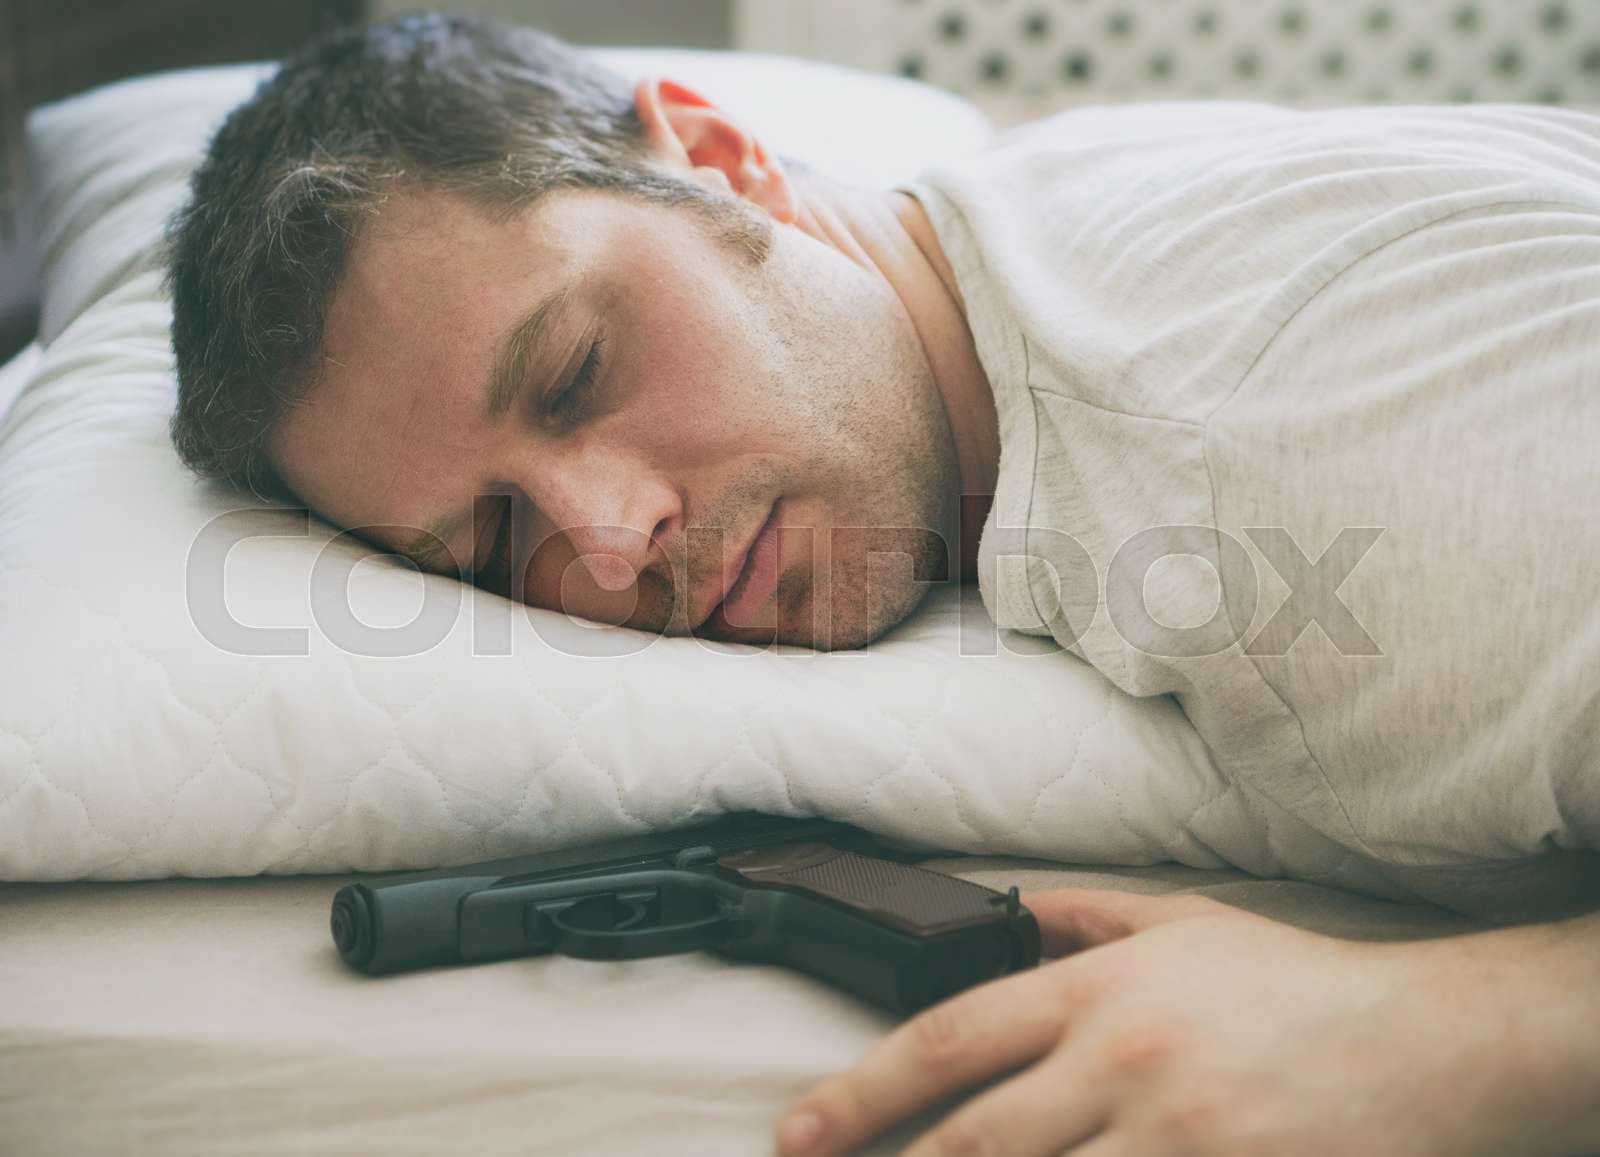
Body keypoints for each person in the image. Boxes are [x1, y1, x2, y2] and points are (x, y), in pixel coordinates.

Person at [164, 13, 1600, 1156]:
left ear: (720, 159)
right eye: (489, 545)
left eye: (577, 372)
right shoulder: (1022, 230)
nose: (607, 544)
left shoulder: (1266, 445)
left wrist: (1447, 1027)